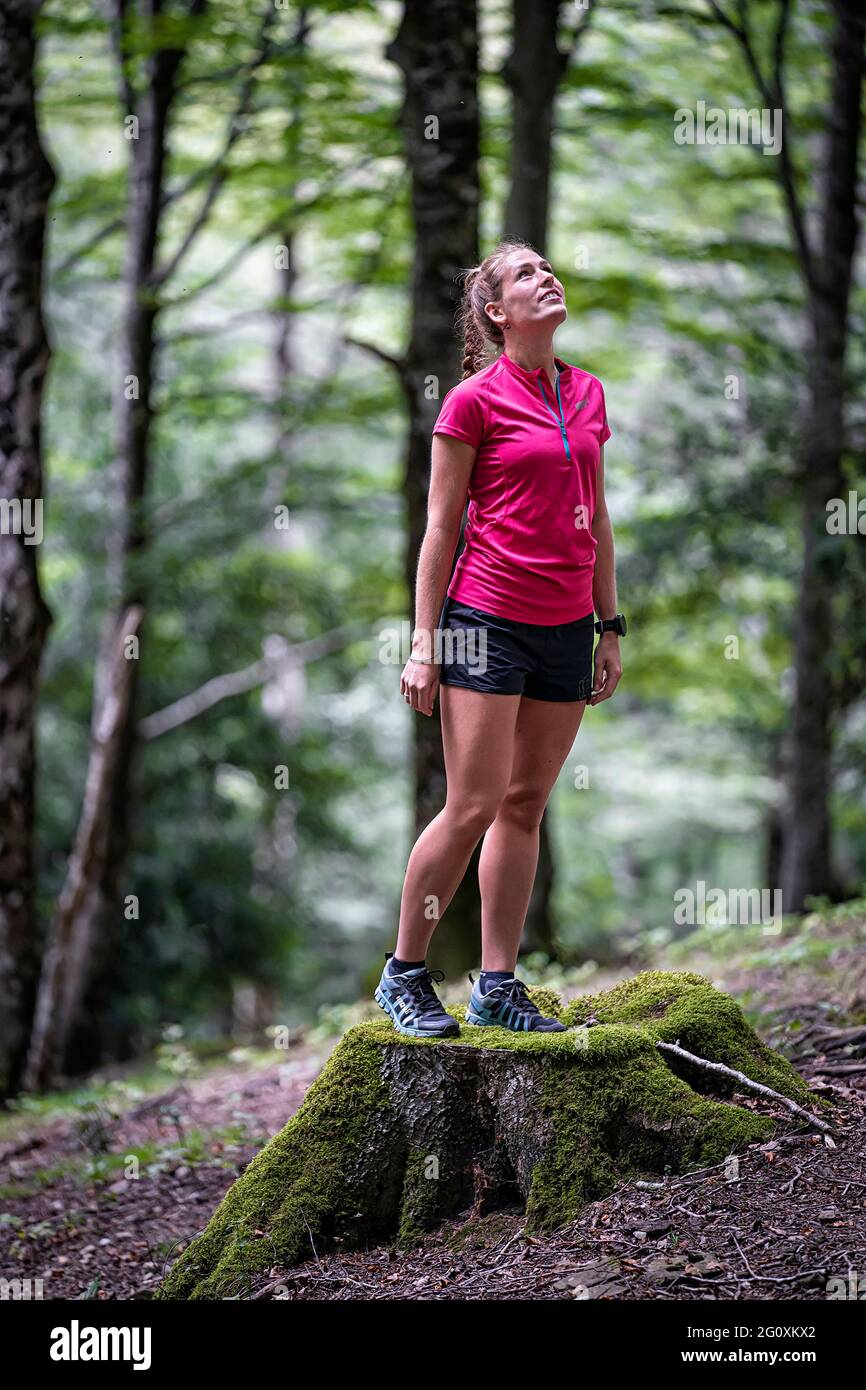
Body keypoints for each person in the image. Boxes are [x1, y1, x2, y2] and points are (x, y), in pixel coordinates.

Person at [375, 239, 625, 1037]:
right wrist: (423, 642)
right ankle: (404, 973)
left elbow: (600, 518)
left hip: (565, 626)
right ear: (495, 311)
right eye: (527, 274)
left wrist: (609, 626)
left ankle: (496, 985)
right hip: (483, 622)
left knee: (525, 805)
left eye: (548, 268)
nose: (546, 277)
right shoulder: (472, 403)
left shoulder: (586, 393)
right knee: (474, 802)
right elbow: (439, 529)